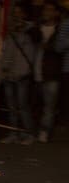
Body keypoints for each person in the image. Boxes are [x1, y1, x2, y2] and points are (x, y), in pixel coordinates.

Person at [1, 5, 36, 144]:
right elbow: (5, 51)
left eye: (19, 12)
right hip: (8, 73)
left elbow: (31, 53)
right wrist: (4, 69)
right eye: (14, 13)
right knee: (12, 106)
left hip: (22, 74)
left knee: (23, 105)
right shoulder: (8, 31)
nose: (17, 16)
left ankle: (29, 133)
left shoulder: (30, 30)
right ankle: (13, 133)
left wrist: (24, 71)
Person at [34, 2, 63, 141]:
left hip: (52, 72)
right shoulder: (37, 28)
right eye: (45, 9)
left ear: (56, 13)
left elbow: (60, 49)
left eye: (51, 10)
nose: (47, 12)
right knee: (38, 104)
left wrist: (49, 47)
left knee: (49, 105)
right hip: (36, 70)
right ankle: (39, 129)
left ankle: (44, 132)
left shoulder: (60, 29)